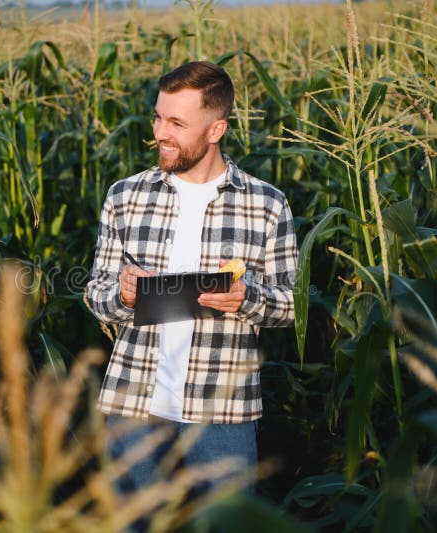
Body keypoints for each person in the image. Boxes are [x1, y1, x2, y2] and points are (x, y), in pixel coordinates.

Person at [84, 61, 298, 511]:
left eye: (177, 123)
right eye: (159, 117)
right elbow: (95, 293)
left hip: (222, 411)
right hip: (134, 406)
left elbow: (293, 306)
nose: (161, 132)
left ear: (216, 129)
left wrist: (248, 297)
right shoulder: (126, 196)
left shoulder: (266, 205)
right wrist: (121, 295)